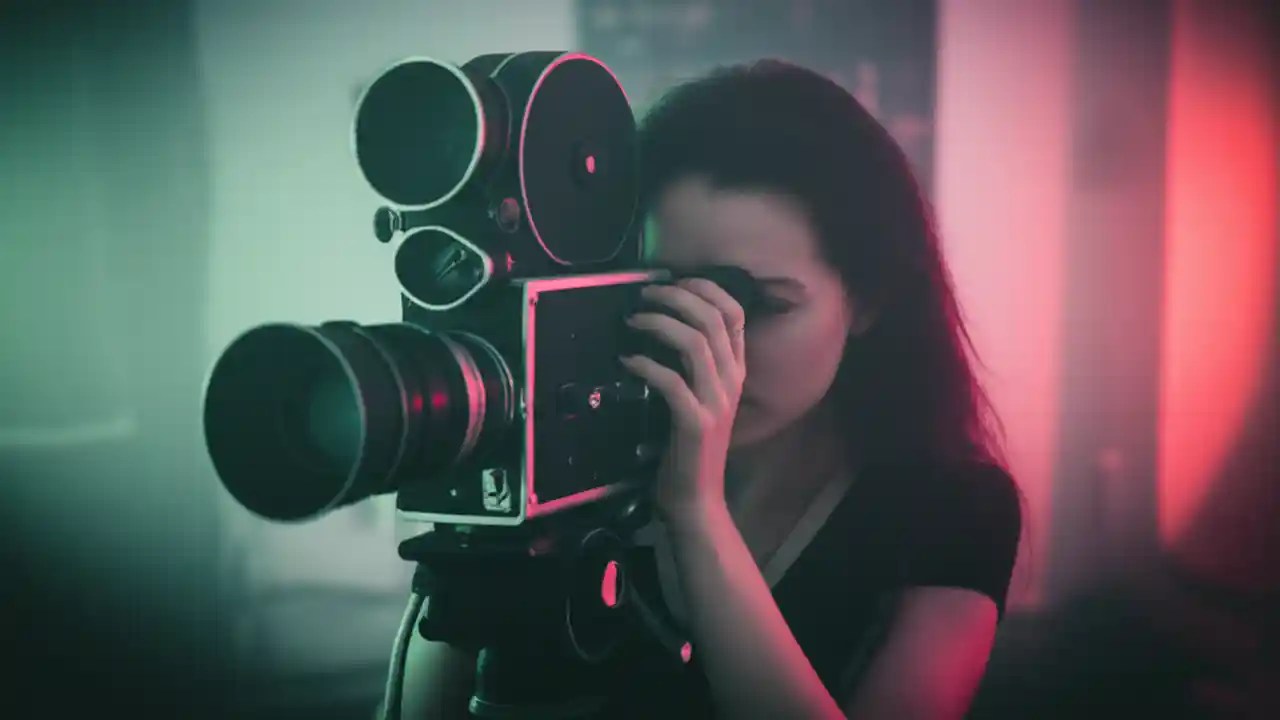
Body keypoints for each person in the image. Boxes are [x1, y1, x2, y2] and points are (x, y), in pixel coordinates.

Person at [400, 58, 1022, 720]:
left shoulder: (953, 508)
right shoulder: (563, 478)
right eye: (664, 297)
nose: (704, 348)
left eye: (760, 305)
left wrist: (695, 512)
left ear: (868, 299)